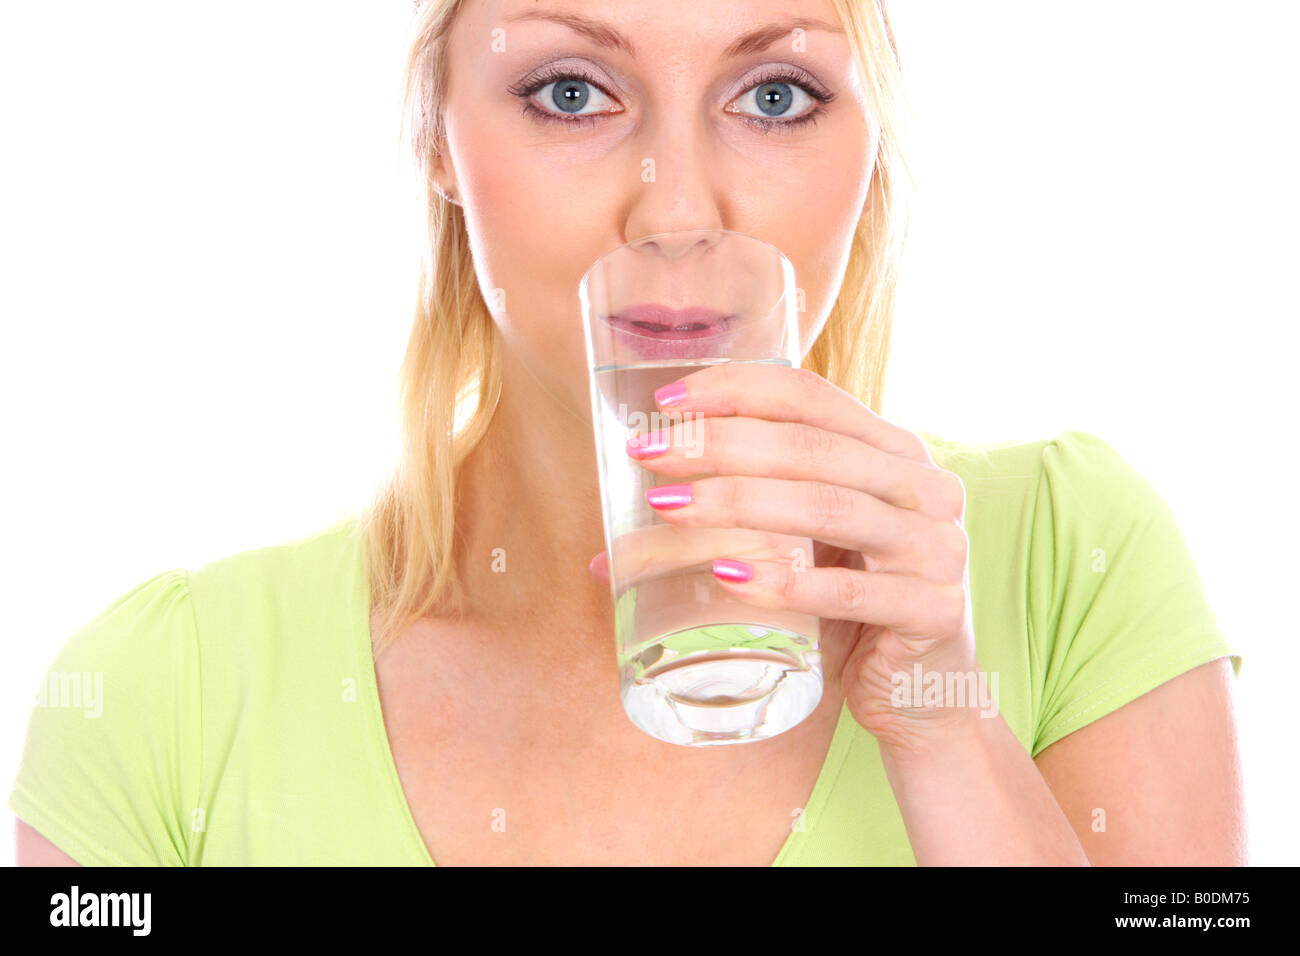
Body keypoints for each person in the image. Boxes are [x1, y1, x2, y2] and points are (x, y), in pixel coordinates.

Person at [10, 0, 1244, 866]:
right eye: (569, 92)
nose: (676, 205)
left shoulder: (1070, 559)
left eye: (774, 95)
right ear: (441, 137)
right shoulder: (160, 693)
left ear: (865, 140)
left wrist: (947, 727)